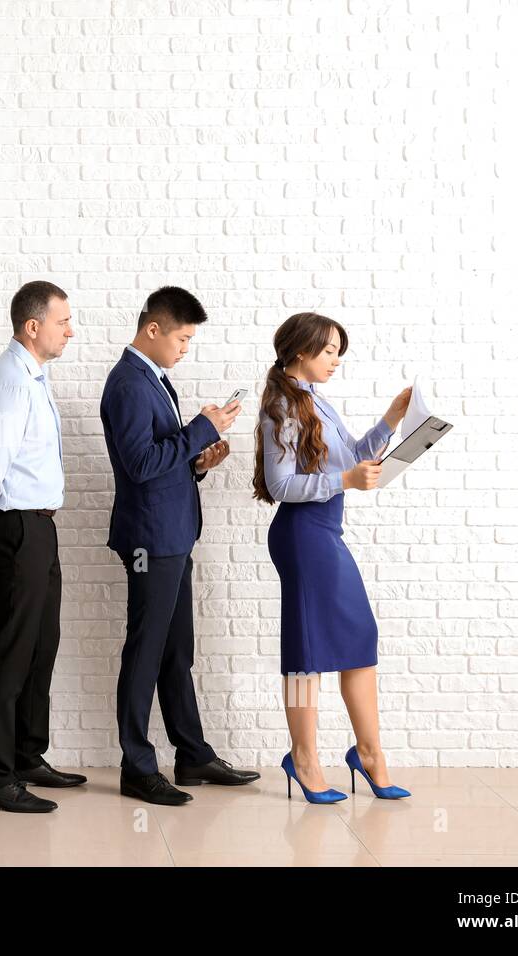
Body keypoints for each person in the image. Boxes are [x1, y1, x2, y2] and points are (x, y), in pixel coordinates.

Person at [99, 286, 261, 805]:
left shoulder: (155, 380)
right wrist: (201, 427)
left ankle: (191, 753)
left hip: (172, 533)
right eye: (183, 338)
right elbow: (140, 465)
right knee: (145, 651)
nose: (186, 348)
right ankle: (136, 766)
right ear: (153, 330)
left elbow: (160, 461)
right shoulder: (127, 383)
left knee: (176, 650)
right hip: (150, 538)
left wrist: (198, 461)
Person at [253, 311, 414, 803]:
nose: (336, 360)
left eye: (338, 351)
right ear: (300, 351)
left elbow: (350, 459)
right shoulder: (280, 405)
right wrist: (344, 481)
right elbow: (281, 485)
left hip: (324, 533)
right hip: (303, 536)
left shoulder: (315, 402)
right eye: (328, 351)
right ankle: (303, 758)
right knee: (306, 654)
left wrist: (393, 418)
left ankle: (368, 753)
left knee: (358, 634)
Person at [0, 280, 87, 813]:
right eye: (63, 321)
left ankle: (27, 755)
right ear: (33, 326)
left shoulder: (34, 377)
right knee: (8, 651)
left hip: (40, 527)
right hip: (14, 528)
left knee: (41, 643)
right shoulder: (8, 381)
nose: (70, 330)